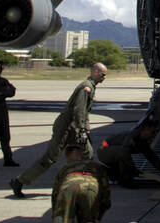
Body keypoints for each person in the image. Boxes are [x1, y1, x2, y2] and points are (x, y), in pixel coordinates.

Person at [10, 62, 107, 197]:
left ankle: (79, 184)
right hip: (67, 127)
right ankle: (20, 181)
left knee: (88, 154)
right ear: (95, 72)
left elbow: (83, 112)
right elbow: (79, 111)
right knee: (51, 157)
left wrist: (84, 128)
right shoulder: (86, 87)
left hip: (73, 127)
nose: (104, 78)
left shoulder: (89, 86)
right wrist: (83, 130)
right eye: (103, 75)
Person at [46, 144, 111, 223]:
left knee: (63, 217)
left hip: (69, 185)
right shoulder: (97, 166)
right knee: (87, 221)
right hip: (90, 186)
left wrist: (56, 214)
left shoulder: (65, 167)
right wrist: (98, 217)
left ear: (68, 155)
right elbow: (106, 195)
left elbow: (55, 194)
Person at [97, 119, 160, 187]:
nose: (153, 135)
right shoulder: (133, 137)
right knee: (123, 153)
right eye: (152, 132)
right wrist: (133, 169)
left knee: (119, 169)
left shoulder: (142, 142)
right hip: (103, 150)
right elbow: (124, 154)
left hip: (112, 154)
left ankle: (111, 173)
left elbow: (152, 158)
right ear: (145, 129)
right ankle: (125, 181)